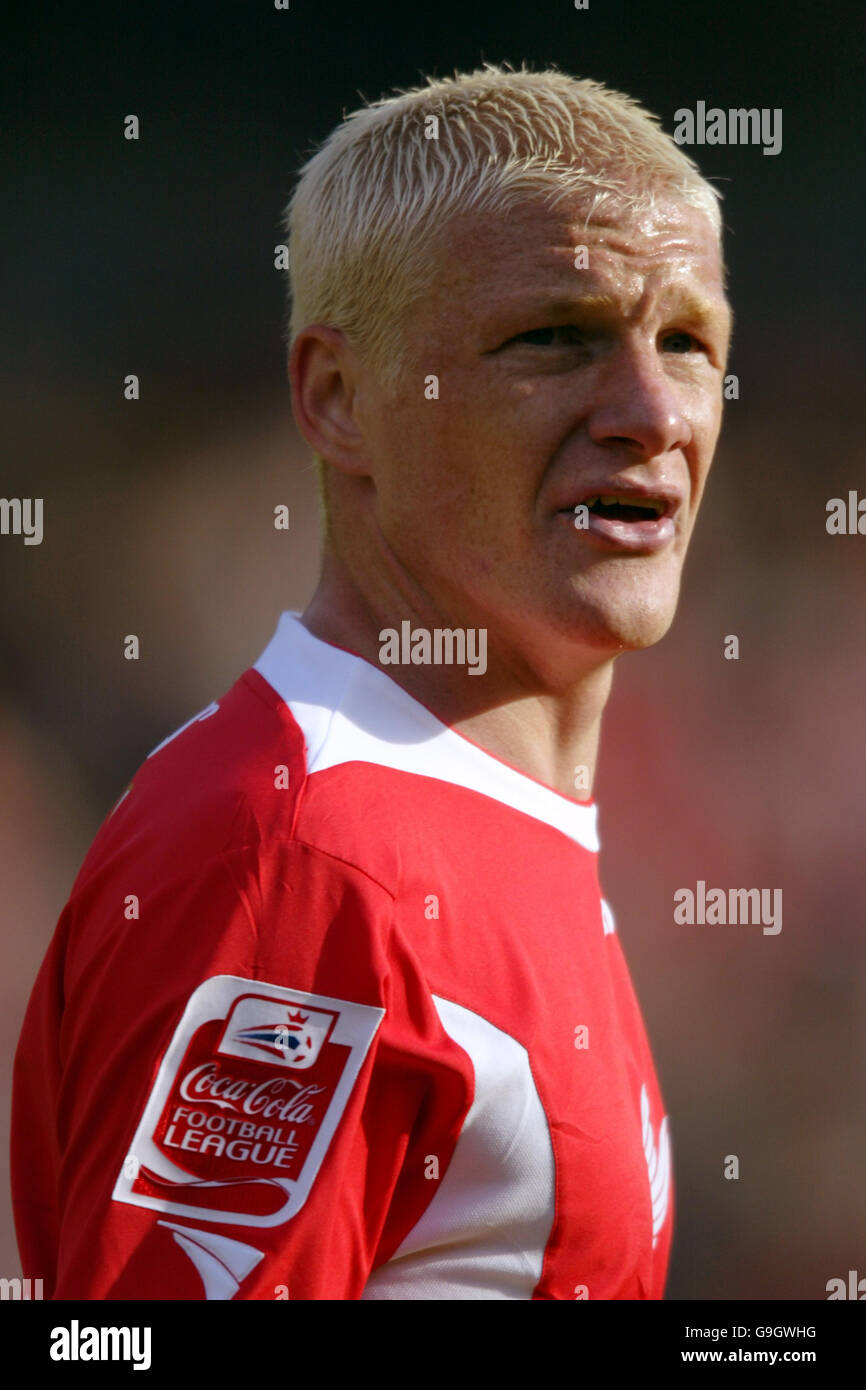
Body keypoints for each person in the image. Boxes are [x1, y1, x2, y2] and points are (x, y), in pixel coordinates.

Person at [11, 64, 731, 1300]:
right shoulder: (304, 859)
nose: (651, 408)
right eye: (554, 336)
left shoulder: (468, 821)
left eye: (685, 340)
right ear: (337, 401)